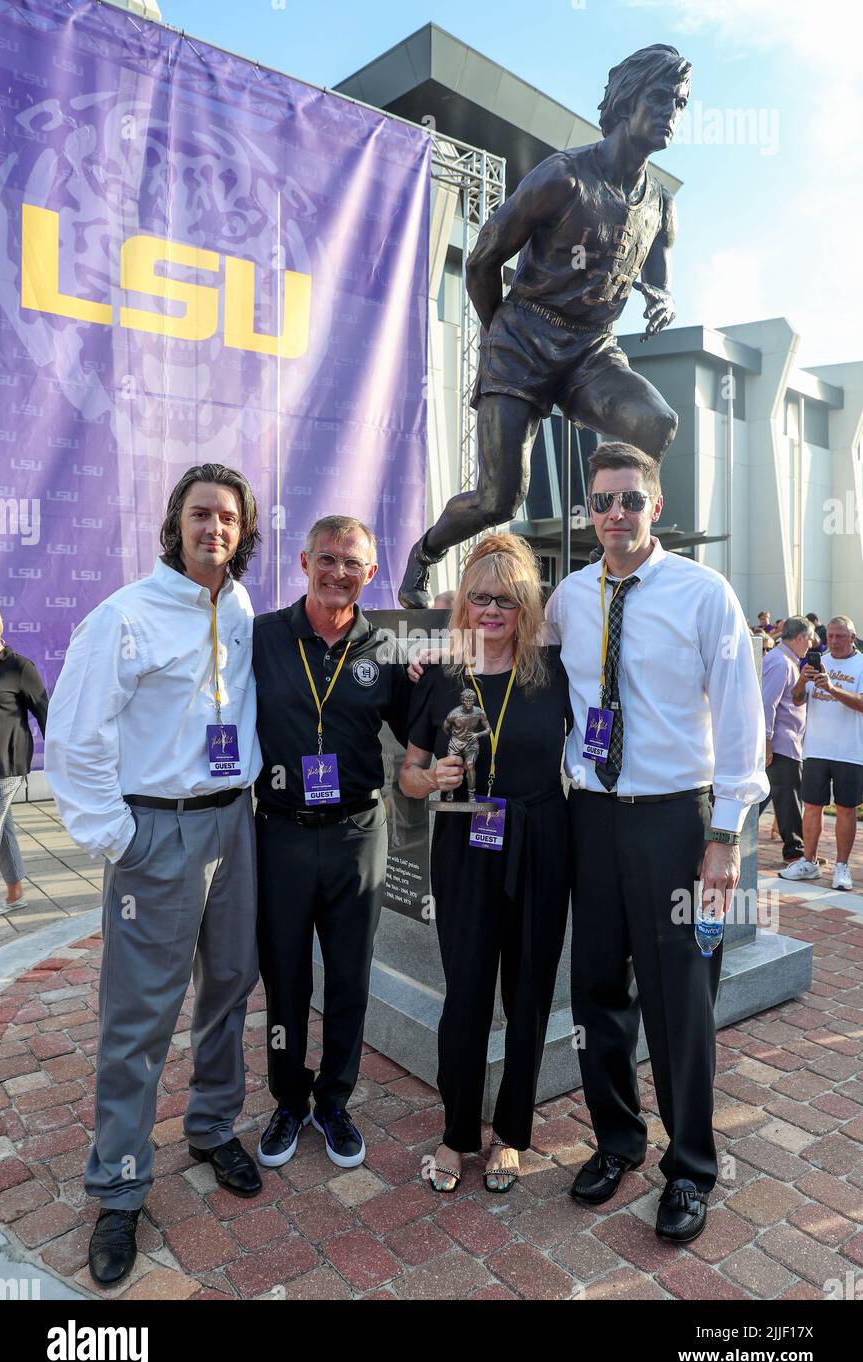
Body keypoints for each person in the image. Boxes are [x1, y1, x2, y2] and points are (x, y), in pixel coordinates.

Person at [45, 464, 263, 1287]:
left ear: (243, 533)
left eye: (229, 518)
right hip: (158, 834)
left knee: (231, 988)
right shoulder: (124, 616)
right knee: (139, 1019)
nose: (215, 528)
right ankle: (120, 1187)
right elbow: (72, 736)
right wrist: (120, 840)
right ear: (175, 524)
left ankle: (211, 1126)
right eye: (201, 514)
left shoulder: (236, 608)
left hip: (235, 824)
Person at [545, 440, 767, 1243]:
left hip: (678, 821)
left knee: (681, 1002)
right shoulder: (569, 598)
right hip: (592, 817)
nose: (614, 514)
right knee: (599, 988)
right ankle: (617, 1142)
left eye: (630, 500)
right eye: (601, 501)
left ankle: (692, 1167)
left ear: (656, 507)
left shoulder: (705, 594)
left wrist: (725, 836)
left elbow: (743, 722)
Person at [398, 44, 691, 606]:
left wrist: (663, 297)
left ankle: (623, 546)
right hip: (524, 334)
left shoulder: (659, 203)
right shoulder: (563, 176)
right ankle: (426, 552)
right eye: (659, 98)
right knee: (498, 500)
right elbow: (483, 259)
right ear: (627, 100)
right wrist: (497, 338)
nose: (670, 113)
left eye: (678, 103)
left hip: (591, 350)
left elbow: (660, 267)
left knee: (657, 422)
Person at [400, 534, 571, 1193]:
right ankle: (455, 1133)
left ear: (527, 603)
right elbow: (408, 774)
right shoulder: (440, 674)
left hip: (541, 840)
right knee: (466, 993)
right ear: (463, 603)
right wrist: (430, 777)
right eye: (480, 597)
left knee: (527, 997)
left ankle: (512, 1135)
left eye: (507, 597)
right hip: (464, 843)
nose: (492, 610)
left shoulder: (553, 672)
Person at [253, 517, 411, 1170]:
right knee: (284, 976)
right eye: (328, 558)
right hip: (282, 833)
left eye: (354, 564)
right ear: (304, 561)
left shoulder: (387, 650)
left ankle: (335, 1101)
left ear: (371, 574)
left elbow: (420, 729)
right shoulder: (261, 637)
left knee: (349, 977)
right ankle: (289, 1100)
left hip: (357, 836)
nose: (339, 572)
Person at [779, 615, 863, 891]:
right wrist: (803, 681)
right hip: (815, 748)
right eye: (831, 637)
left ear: (852, 638)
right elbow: (797, 699)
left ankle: (841, 867)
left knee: (845, 809)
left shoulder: (860, 664)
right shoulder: (819, 661)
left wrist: (831, 687)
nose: (835, 641)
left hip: (849, 750)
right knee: (812, 807)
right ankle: (809, 861)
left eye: (841, 636)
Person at [0, 607, 49, 916]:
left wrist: (62, 761)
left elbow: (45, 713)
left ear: (0, 625)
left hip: (7, 765)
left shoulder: (19, 668)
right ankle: (16, 895)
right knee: (4, 830)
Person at [760, 617, 815, 862]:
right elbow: (767, 703)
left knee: (775, 796)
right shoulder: (781, 663)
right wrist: (767, 740)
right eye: (810, 638)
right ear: (800, 637)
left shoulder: (785, 660)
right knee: (787, 796)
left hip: (786, 742)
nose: (812, 644)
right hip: (781, 743)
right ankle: (795, 849)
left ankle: (796, 848)